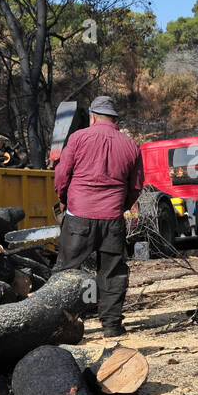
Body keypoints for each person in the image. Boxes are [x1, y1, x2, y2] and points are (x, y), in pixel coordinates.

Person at [52, 95, 144, 338]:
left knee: (67, 271)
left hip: (78, 215)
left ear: (92, 116)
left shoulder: (78, 138)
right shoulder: (130, 145)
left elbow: (62, 175)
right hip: (112, 218)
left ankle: (61, 326)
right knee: (112, 273)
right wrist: (118, 207)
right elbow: (136, 186)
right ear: (115, 119)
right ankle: (112, 326)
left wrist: (63, 199)